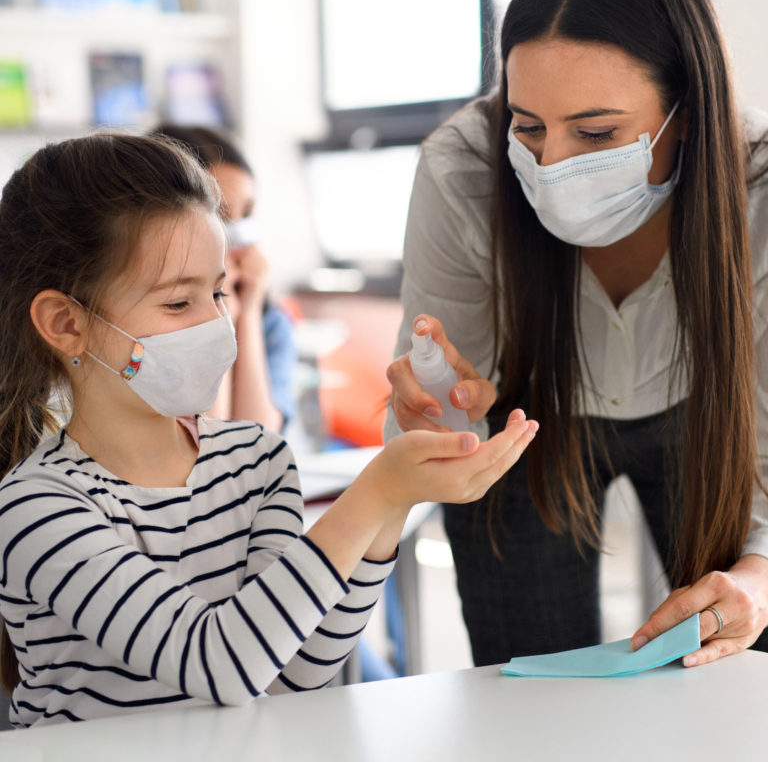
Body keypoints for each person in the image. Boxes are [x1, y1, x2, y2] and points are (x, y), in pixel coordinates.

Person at [0, 133, 538, 727]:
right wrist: (377, 490)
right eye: (178, 304)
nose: (216, 323)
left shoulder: (255, 460)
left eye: (217, 292)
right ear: (64, 323)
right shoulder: (36, 506)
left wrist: (400, 490)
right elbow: (220, 663)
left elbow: (299, 670)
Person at [385, 0, 768, 668]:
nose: (550, 163)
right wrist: (433, 411)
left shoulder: (757, 191)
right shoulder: (461, 169)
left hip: (713, 418)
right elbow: (440, 411)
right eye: (527, 127)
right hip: (528, 422)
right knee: (534, 683)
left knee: (738, 655)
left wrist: (758, 577)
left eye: (596, 132)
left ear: (684, 111)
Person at [150, 123, 295, 434]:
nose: (240, 231)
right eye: (223, 215)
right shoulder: (153, 320)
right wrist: (219, 313)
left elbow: (258, 438)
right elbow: (203, 440)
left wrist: (248, 313)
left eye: (247, 214)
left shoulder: (271, 322)